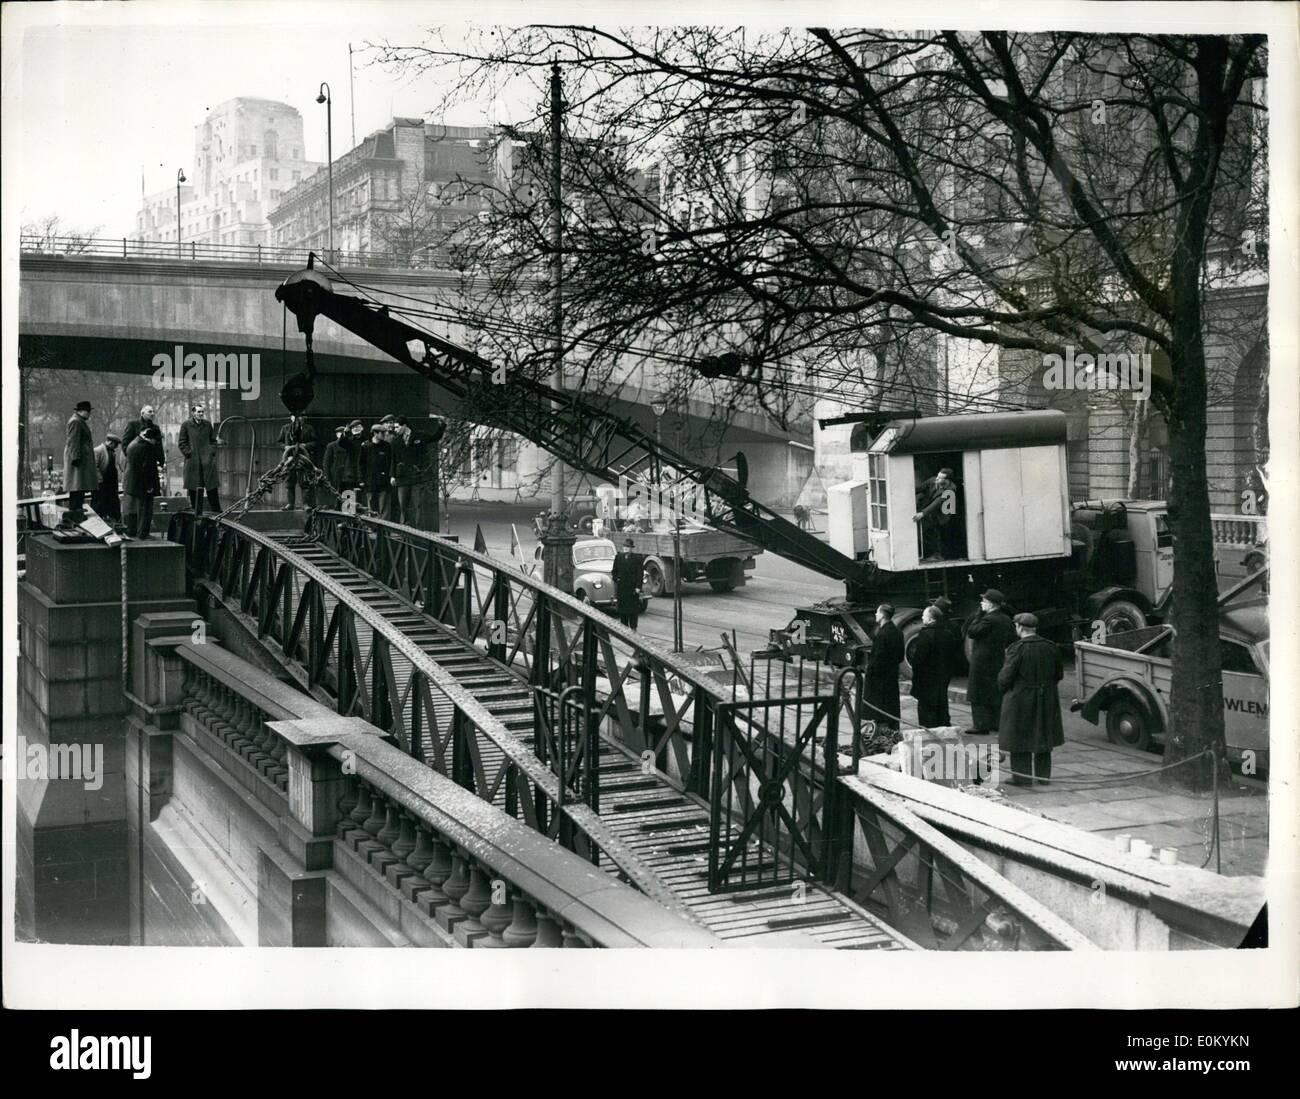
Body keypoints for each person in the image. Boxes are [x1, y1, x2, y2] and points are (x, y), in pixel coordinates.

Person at [997, 613, 1065, 786]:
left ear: (1020, 627)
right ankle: (1044, 777)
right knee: (1043, 735)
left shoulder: (1016, 648)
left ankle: (1022, 778)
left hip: (1020, 698)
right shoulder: (1051, 647)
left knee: (1019, 736)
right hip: (1046, 697)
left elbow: (1005, 677)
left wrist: (1004, 688)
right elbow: (1059, 674)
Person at [964, 588, 1016, 735]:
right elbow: (1012, 638)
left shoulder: (988, 619)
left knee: (977, 691)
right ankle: (995, 723)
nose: (982, 603)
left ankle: (980, 725)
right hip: (997, 658)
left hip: (981, 660)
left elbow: (972, 632)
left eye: (984, 601)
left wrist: (978, 616)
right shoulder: (1006, 619)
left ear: (992, 604)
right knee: (994, 690)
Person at [909, 605, 958, 728]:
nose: (922, 617)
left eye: (924, 616)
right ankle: (943, 727)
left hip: (927, 678)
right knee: (942, 704)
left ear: (931, 619)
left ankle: (928, 729)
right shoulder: (948, 634)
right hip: (942, 677)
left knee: (927, 707)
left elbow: (919, 659)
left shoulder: (925, 635)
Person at [864, 603, 904, 732]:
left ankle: (880, 729)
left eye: (877, 612)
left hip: (879, 678)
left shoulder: (882, 635)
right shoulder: (897, 631)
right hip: (891, 675)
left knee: (879, 707)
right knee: (890, 705)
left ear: (882, 615)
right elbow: (900, 656)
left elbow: (878, 658)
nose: (875, 614)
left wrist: (869, 670)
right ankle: (891, 728)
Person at [177, 404, 221, 516]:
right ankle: (196, 513)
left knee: (212, 488)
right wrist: (189, 453)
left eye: (202, 412)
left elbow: (213, 440)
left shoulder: (207, 424)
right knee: (195, 489)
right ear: (193, 413)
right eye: (198, 412)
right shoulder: (186, 425)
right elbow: (182, 443)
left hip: (207, 462)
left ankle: (217, 512)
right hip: (193, 463)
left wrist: (211, 451)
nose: (201, 414)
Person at [122, 425, 165, 538]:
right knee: (145, 510)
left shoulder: (133, 444)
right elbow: (146, 469)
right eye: (156, 440)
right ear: (151, 439)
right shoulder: (145, 447)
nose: (156, 443)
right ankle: (143, 534)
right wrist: (149, 486)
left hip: (135, 483)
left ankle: (136, 532)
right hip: (144, 485)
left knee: (136, 510)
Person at [913, 468, 959, 561]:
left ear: (947, 480)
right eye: (937, 476)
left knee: (937, 534)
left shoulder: (950, 489)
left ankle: (938, 555)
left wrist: (923, 513)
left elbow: (937, 503)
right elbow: (920, 488)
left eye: (940, 478)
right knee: (930, 533)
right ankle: (934, 553)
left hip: (944, 516)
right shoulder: (932, 481)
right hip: (932, 513)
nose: (936, 479)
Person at [63, 399, 98, 519]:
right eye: (88, 411)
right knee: (77, 487)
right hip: (78, 461)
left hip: (80, 459)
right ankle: (75, 511)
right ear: (82, 411)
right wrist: (75, 458)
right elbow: (73, 441)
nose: (89, 414)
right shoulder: (76, 422)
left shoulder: (78, 421)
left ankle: (77, 510)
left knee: (79, 487)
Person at [390, 416, 428, 526]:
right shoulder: (396, 441)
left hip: (416, 476)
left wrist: (421, 468)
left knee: (418, 505)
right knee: (403, 505)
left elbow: (424, 455)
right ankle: (404, 528)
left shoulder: (418, 437)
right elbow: (393, 459)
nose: (395, 430)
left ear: (404, 426)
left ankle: (419, 529)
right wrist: (392, 475)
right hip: (402, 477)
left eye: (397, 427)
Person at [277, 412, 317, 510]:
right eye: (295, 416)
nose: (298, 418)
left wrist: (305, 446)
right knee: (289, 482)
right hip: (289, 460)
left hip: (303, 459)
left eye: (300, 417)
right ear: (291, 417)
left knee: (305, 483)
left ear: (304, 418)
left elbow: (315, 442)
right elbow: (279, 442)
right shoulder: (285, 428)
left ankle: (305, 504)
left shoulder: (309, 428)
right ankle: (291, 504)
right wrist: (286, 447)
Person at [359, 422, 393, 518]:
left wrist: (390, 476)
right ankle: (372, 529)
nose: (384, 434)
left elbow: (390, 463)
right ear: (375, 433)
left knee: (384, 507)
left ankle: (384, 530)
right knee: (371, 506)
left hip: (383, 481)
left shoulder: (387, 446)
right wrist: (362, 479)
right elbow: (361, 464)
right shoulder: (365, 446)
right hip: (370, 481)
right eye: (382, 433)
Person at [611, 537, 644, 629]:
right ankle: (624, 631)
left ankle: (633, 630)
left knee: (633, 611)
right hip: (622, 589)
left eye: (628, 547)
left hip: (632, 589)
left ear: (631, 548)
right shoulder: (618, 557)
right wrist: (617, 579)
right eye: (625, 546)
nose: (625, 548)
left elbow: (640, 574)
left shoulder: (637, 558)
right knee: (623, 612)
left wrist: (638, 587)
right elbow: (614, 571)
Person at [92, 434, 124, 522]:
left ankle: (113, 520)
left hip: (110, 484)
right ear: (110, 442)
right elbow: (95, 467)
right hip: (102, 483)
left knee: (113, 504)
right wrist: (100, 479)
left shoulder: (112, 452)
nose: (116, 447)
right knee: (99, 504)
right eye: (115, 445)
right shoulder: (98, 451)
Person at [322, 425, 347, 494]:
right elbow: (326, 462)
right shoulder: (331, 446)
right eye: (340, 433)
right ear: (337, 435)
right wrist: (327, 476)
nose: (343, 434)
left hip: (348, 475)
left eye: (344, 432)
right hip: (336, 475)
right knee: (337, 495)